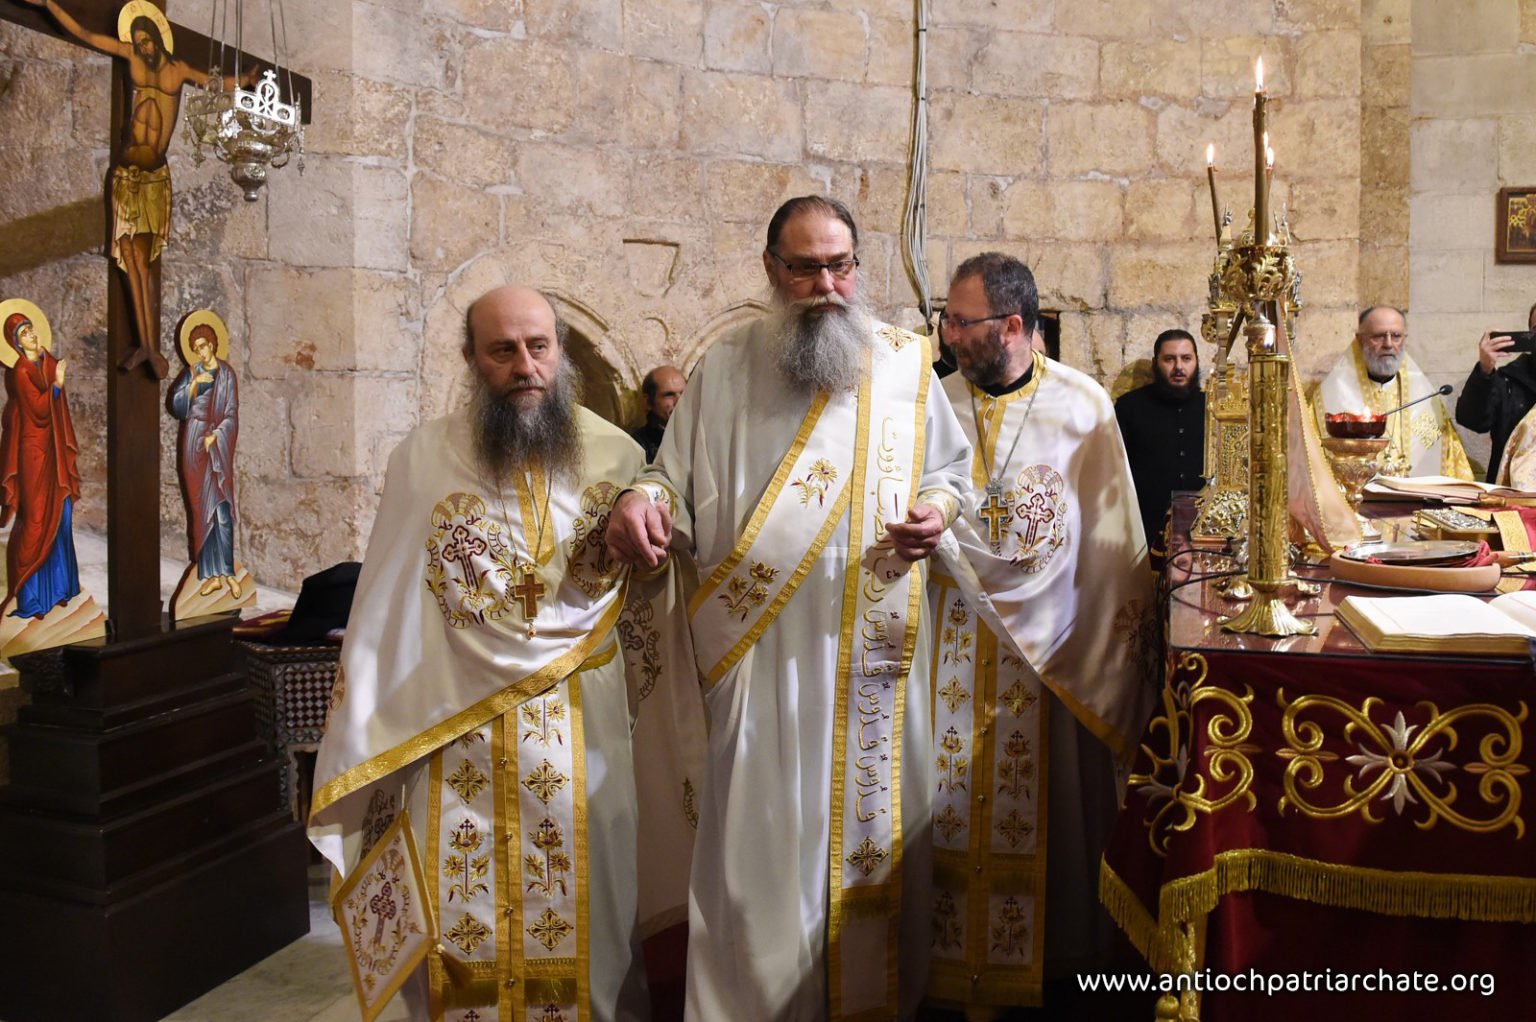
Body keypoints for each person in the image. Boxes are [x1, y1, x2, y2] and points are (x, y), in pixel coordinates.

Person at [605, 195, 972, 1021]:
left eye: (839, 266)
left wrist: (939, 512)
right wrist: (643, 500)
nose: (825, 286)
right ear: (771, 269)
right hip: (755, 659)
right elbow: (670, 481)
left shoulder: (905, 365)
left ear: (857, 267)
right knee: (757, 853)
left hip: (871, 655)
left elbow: (951, 475)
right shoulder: (726, 367)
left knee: (873, 845)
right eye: (805, 267)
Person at [309, 286, 649, 1022]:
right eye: (503, 350)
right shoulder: (423, 459)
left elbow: (652, 604)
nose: (525, 366)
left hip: (584, 734)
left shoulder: (620, 458)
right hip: (455, 730)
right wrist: (367, 726)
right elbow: (384, 607)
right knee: (461, 926)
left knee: (592, 915)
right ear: (471, 359)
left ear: (561, 353)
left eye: (538, 347)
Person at [927, 254, 1154, 1018]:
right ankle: (950, 970)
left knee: (1052, 815)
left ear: (1013, 326)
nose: (949, 336)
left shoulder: (1082, 406)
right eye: (948, 320)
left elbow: (1113, 545)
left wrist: (1108, 657)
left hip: (1054, 659)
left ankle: (1055, 968)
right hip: (952, 652)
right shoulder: (932, 404)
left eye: (963, 323)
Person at [28, 0, 253, 378]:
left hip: (156, 178)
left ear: (158, 40)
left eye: (148, 40)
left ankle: (150, 345)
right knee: (130, 258)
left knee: (145, 261)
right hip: (128, 175)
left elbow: (213, 83)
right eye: (139, 40)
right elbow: (85, 33)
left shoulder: (178, 69)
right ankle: (145, 344)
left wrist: (244, 81)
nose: (144, 46)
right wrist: (50, 4)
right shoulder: (130, 58)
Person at [1314, 305, 1472, 479]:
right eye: (1378, 336)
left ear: (1405, 339)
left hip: (1414, 495)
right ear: (1360, 340)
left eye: (1396, 336)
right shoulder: (1335, 395)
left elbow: (1449, 463)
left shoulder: (1424, 400)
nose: (1388, 344)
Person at [0, 310, 83, 619]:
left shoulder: (49, 361)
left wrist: (56, 380)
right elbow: (37, 409)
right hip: (33, 453)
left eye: (31, 329)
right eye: (24, 333)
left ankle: (59, 591)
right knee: (35, 522)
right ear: (16, 343)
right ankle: (30, 597)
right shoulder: (20, 371)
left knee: (62, 515)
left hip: (54, 448)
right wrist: (57, 385)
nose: (31, 335)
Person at [1114, 328, 1207, 546]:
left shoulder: (1213, 407)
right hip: (1144, 531)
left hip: (1205, 531)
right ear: (1156, 363)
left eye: (1186, 358)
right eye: (1169, 359)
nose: (1179, 367)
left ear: (1196, 361)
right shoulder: (1129, 407)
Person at [169, 317, 241, 598]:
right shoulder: (192, 372)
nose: (201, 352)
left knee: (221, 509)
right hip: (194, 440)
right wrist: (193, 386)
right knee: (200, 511)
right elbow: (177, 406)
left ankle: (228, 571)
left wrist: (218, 435)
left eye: (203, 345)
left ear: (213, 344)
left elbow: (232, 413)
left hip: (217, 445)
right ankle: (209, 575)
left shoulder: (227, 374)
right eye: (196, 348)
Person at [1455, 301, 1536, 483]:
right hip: (1510, 491)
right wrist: (1485, 369)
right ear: (1530, 335)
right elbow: (1472, 420)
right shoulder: (1509, 380)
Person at [630, 365, 685, 462]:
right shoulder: (637, 446)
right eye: (669, 395)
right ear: (648, 402)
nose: (679, 401)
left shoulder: (702, 434)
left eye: (684, 393)